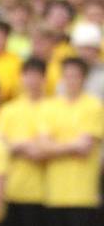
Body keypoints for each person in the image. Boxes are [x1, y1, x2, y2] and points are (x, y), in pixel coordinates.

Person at [39, 57, 104, 225]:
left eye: (75, 76)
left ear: (84, 78)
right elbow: (42, 147)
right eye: (67, 75)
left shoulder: (94, 106)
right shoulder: (50, 106)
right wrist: (73, 145)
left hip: (84, 195)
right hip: (53, 194)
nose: (71, 80)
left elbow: (85, 148)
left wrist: (53, 147)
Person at [0, 58, 49, 226]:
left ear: (45, 79)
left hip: (43, 193)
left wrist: (15, 145)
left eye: (36, 76)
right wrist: (27, 145)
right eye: (28, 75)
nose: (32, 80)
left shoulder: (53, 107)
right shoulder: (8, 110)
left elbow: (48, 148)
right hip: (10, 191)